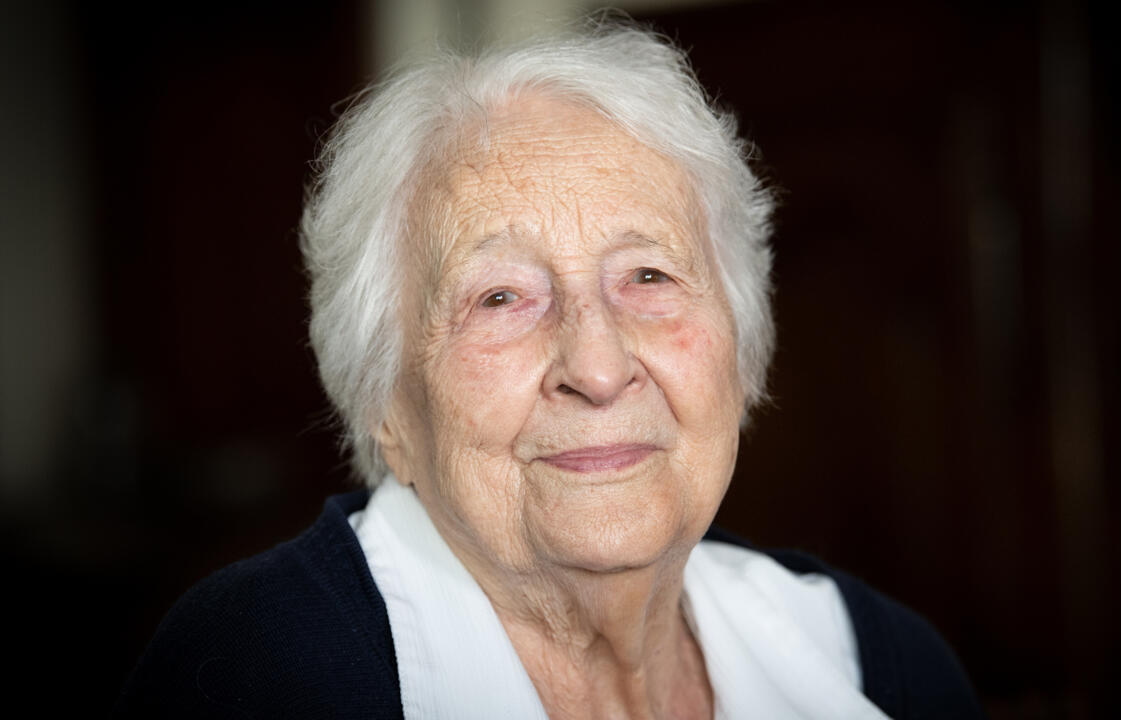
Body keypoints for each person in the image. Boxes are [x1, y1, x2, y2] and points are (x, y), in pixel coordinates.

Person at [116, 19, 984, 720]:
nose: (599, 369)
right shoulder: (251, 676)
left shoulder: (877, 664)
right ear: (386, 401)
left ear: (743, 354)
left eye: (649, 276)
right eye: (500, 297)